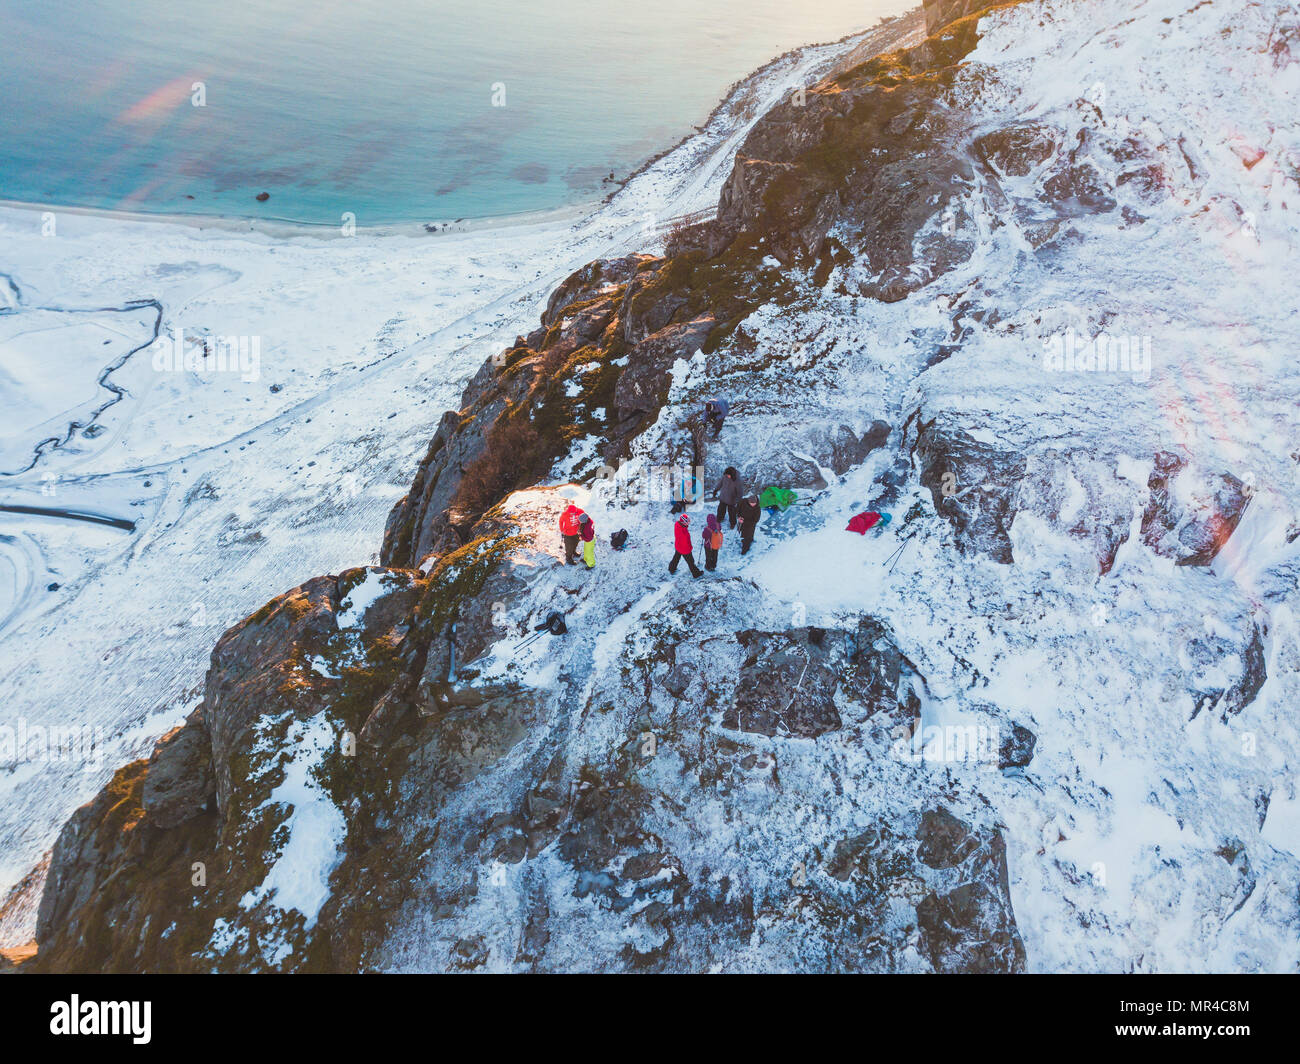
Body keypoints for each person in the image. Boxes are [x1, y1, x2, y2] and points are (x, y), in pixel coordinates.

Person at [668, 513, 702, 578]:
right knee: (691, 562)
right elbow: (686, 542)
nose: (688, 523)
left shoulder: (677, 524)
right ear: (683, 522)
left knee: (676, 558)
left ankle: (671, 568)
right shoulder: (684, 532)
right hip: (685, 550)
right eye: (687, 522)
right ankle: (696, 574)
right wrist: (690, 548)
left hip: (678, 546)